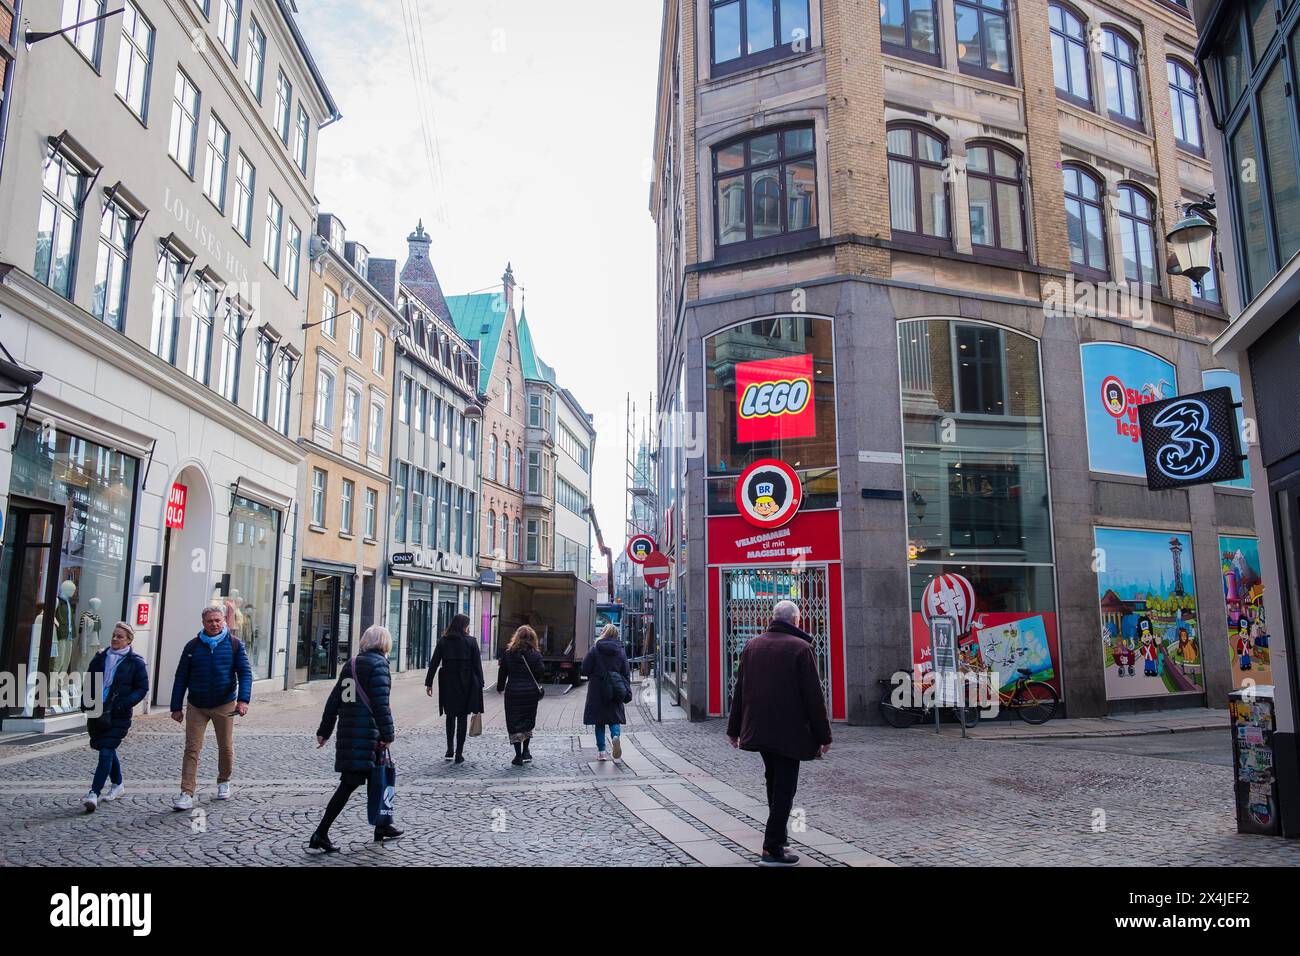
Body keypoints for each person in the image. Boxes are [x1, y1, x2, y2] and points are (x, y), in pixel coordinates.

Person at [726, 599, 831, 867]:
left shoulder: (752, 645)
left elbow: (740, 690)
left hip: (759, 729)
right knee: (784, 789)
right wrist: (823, 736)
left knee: (775, 784)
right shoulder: (801, 648)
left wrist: (734, 729)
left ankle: (779, 840)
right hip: (789, 731)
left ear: (773, 618)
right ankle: (772, 847)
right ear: (795, 621)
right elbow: (813, 697)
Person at [310, 625, 401, 852]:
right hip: (367, 735)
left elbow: (337, 699)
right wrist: (388, 734)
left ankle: (383, 825)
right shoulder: (379, 665)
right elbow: (381, 704)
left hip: (351, 734)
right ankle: (320, 833)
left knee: (376, 779)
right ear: (384, 643)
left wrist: (325, 730)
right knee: (348, 785)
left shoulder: (351, 664)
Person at [169, 602, 253, 810]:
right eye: (210, 621)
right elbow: (181, 677)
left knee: (225, 746)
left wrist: (243, 700)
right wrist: (176, 706)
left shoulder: (234, 644)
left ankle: (224, 781)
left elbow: (245, 672)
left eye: (217, 620)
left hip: (224, 703)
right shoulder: (192, 646)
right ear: (203, 623)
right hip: (196, 704)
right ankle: (186, 793)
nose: (214, 624)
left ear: (223, 621)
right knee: (192, 749)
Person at [81, 622, 149, 812]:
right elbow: (89, 681)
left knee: (106, 751)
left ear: (128, 640)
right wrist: (85, 702)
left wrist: (125, 703)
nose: (115, 639)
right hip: (97, 711)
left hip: (118, 713)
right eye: (114, 635)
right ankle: (118, 784)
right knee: (106, 747)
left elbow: (142, 688)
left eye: (120, 637)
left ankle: (93, 793)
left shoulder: (135, 661)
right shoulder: (100, 658)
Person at [425, 613, 485, 764]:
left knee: (450, 716)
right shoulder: (471, 642)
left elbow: (434, 663)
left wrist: (429, 682)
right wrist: (481, 683)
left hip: (448, 683)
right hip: (466, 682)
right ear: (464, 626)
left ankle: (449, 749)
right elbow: (477, 665)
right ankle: (459, 753)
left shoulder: (443, 641)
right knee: (462, 717)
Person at [581, 624, 632, 761]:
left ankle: (602, 752)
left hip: (597, 690)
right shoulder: (620, 651)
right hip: (615, 688)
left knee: (599, 721)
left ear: (603, 633)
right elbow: (626, 672)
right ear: (616, 635)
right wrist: (625, 688)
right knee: (614, 717)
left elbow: (584, 669)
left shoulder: (595, 649)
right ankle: (615, 736)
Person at [496, 625, 544, 767]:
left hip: (513, 693)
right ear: (533, 639)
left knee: (514, 722)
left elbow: (502, 672)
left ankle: (517, 755)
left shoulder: (508, 653)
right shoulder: (535, 654)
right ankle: (526, 751)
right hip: (530, 693)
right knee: (527, 720)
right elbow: (541, 672)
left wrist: (500, 687)